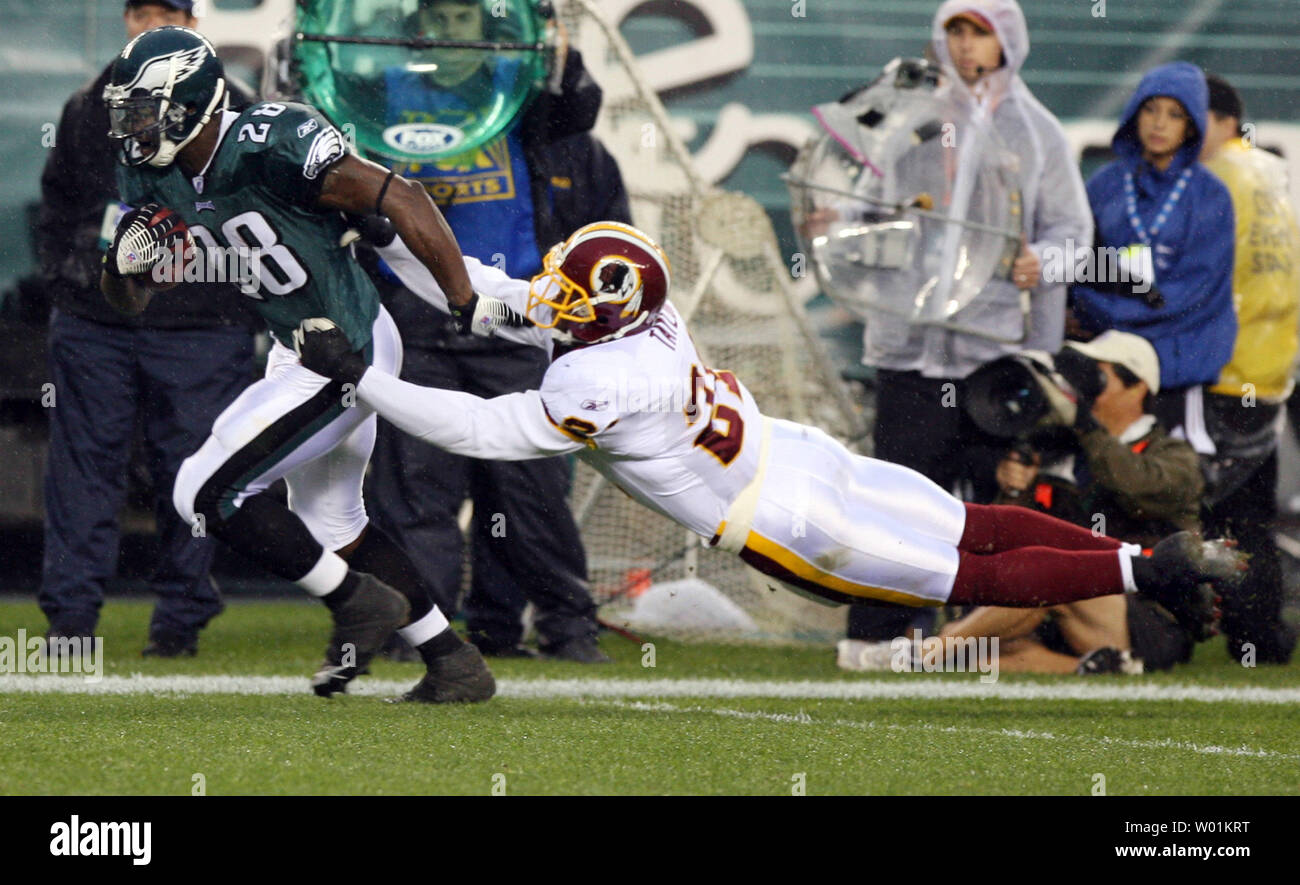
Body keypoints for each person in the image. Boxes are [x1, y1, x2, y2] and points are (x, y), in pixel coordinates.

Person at [295, 222, 1241, 628]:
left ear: (611, 307)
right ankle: (1141, 564)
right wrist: (388, 236)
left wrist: (368, 380)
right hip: (796, 451)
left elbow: (482, 429)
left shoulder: (603, 370)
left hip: (781, 516)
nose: (553, 298)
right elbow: (495, 289)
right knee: (975, 528)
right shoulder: (637, 320)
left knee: (968, 571)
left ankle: (1147, 570)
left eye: (571, 290)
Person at [99, 25, 521, 703]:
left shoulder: (271, 141)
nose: (138, 128)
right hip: (298, 348)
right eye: (131, 113)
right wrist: (124, 264)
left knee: (201, 490)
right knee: (334, 525)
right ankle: (453, 662)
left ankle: (358, 604)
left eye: (149, 110)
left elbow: (404, 199)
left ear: (195, 101)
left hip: (342, 344)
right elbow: (129, 299)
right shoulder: (150, 170)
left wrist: (465, 300)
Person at [366, 0, 628, 661]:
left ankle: (564, 628)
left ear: (495, 26)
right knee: (417, 491)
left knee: (527, 488)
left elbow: (580, 98)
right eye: (441, 18)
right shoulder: (373, 95)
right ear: (416, 27)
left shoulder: (525, 92)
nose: (454, 32)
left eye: (468, 17)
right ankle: (417, 633)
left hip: (512, 316)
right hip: (417, 317)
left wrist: (549, 31)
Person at [847, 0, 1093, 645]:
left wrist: (1044, 260)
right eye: (954, 30)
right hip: (910, 352)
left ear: (1007, 39)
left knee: (991, 511)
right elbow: (864, 213)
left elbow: (1074, 233)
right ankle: (878, 638)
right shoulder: (907, 121)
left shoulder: (1038, 132)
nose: (963, 45)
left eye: (978, 31)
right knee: (896, 506)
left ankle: (986, 642)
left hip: (997, 353)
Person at [35, 0, 257, 658]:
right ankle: (70, 625)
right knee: (82, 469)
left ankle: (180, 622)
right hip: (97, 320)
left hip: (202, 323)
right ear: (129, 19)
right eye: (143, 10)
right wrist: (72, 285)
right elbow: (60, 206)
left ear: (193, 21)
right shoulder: (87, 106)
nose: (153, 23)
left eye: (171, 11)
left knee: (192, 475)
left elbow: (260, 217)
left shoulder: (236, 108)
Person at [839, 331, 1210, 674]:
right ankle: (1098, 667)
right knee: (985, 652)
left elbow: (1137, 487)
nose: (1082, 387)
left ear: (1138, 386)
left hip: (1150, 618)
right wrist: (1016, 488)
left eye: (1099, 375)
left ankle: (923, 654)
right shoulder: (1061, 447)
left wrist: (1086, 427)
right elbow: (1020, 541)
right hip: (1074, 616)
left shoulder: (1173, 454)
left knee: (1051, 578)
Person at [1068, 61, 1236, 441]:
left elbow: (1195, 294)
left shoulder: (1211, 196)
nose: (1159, 123)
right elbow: (1081, 264)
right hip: (1107, 369)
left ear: (1191, 125)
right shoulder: (1105, 184)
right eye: (1150, 109)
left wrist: (1111, 318)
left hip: (1177, 369)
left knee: (1163, 487)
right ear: (1134, 114)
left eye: (1174, 114)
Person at [1195, 74, 1299, 664]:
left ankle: (1200, 627)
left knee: (1202, 509)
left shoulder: (1215, 178)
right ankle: (1259, 634)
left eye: (1191, 118)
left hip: (1223, 366)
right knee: (1251, 514)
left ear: (1224, 122)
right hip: (1270, 368)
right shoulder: (1272, 176)